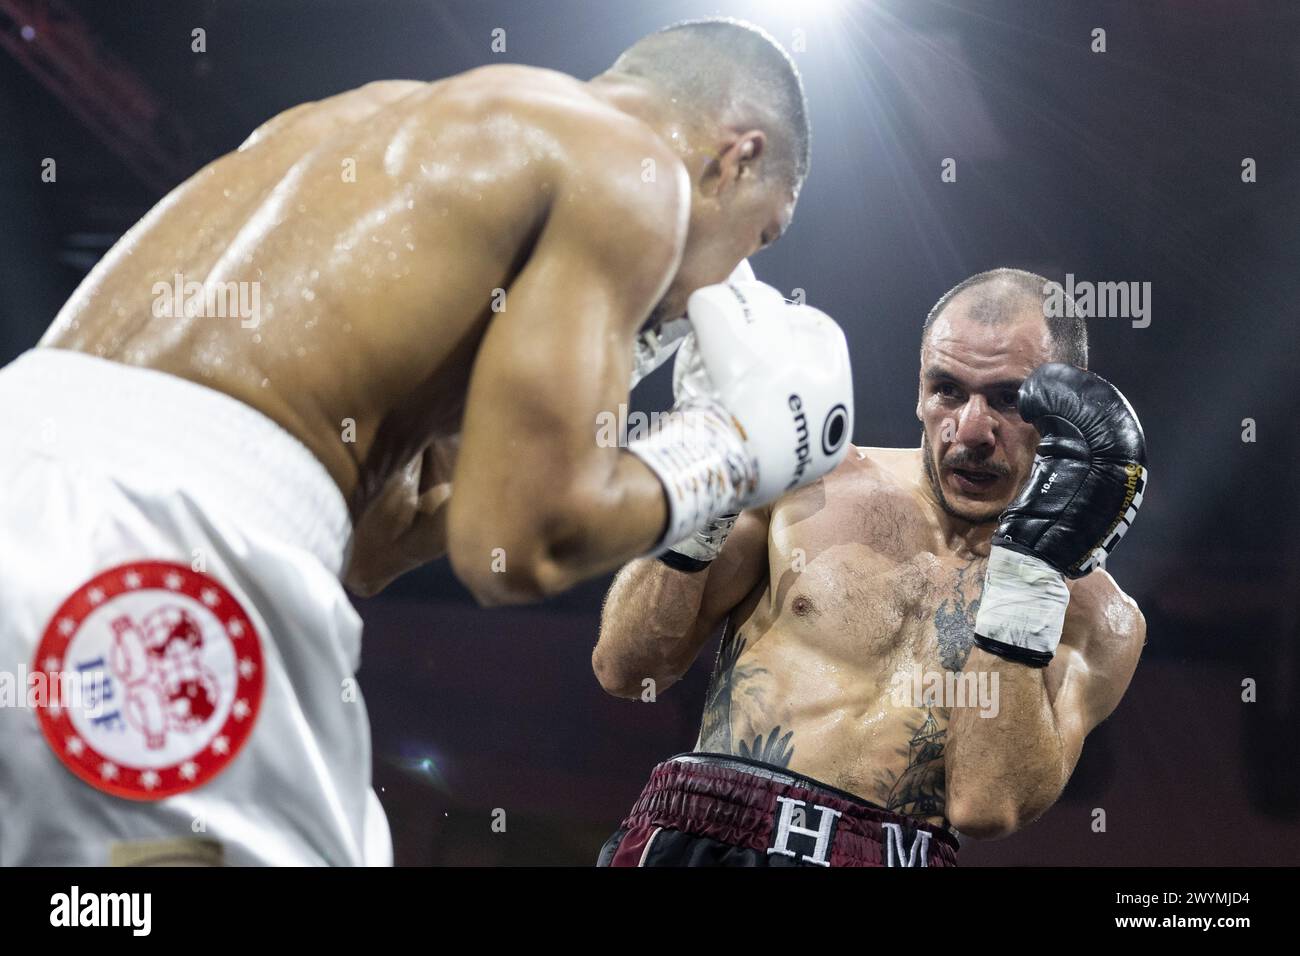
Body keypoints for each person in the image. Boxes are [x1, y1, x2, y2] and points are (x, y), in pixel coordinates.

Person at [0, 19, 852, 865]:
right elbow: (520, 550)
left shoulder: (362, 125)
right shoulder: (634, 170)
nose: (738, 270)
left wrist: (566, 430)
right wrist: (733, 448)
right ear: (736, 157)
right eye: (762, 233)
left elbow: (374, 547)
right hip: (167, 542)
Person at [593, 268, 1148, 867]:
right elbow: (627, 668)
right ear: (918, 388)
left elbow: (985, 805)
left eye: (1009, 400)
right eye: (948, 390)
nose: (970, 430)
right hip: (707, 828)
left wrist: (1027, 579)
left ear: (1071, 405)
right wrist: (708, 475)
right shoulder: (808, 480)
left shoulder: (1097, 616)